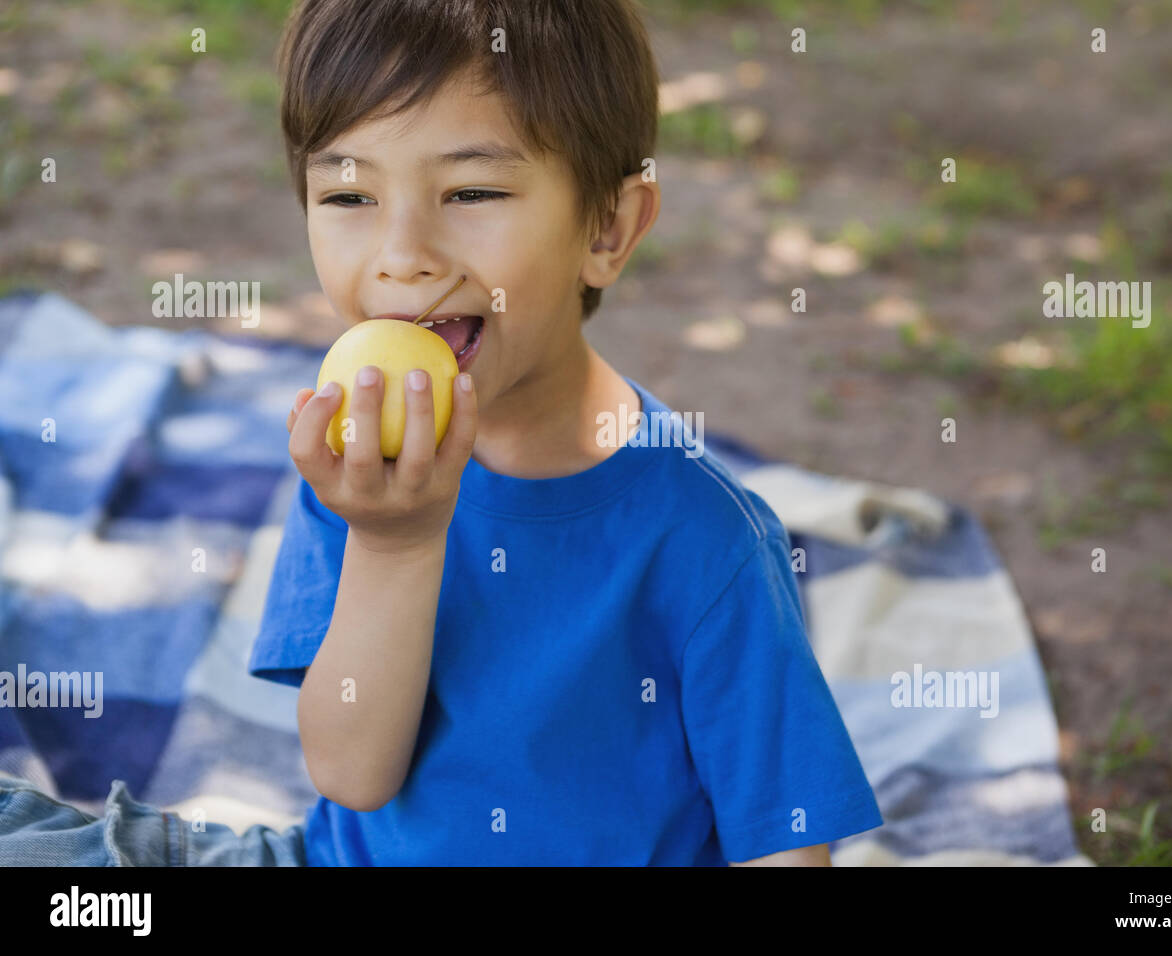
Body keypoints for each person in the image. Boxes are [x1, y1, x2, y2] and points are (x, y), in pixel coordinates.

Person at [0, 0, 884, 866]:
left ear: (607, 229)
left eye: (471, 190)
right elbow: (351, 772)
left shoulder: (706, 535)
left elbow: (790, 840)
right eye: (349, 194)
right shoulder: (363, 468)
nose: (402, 253)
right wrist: (394, 542)